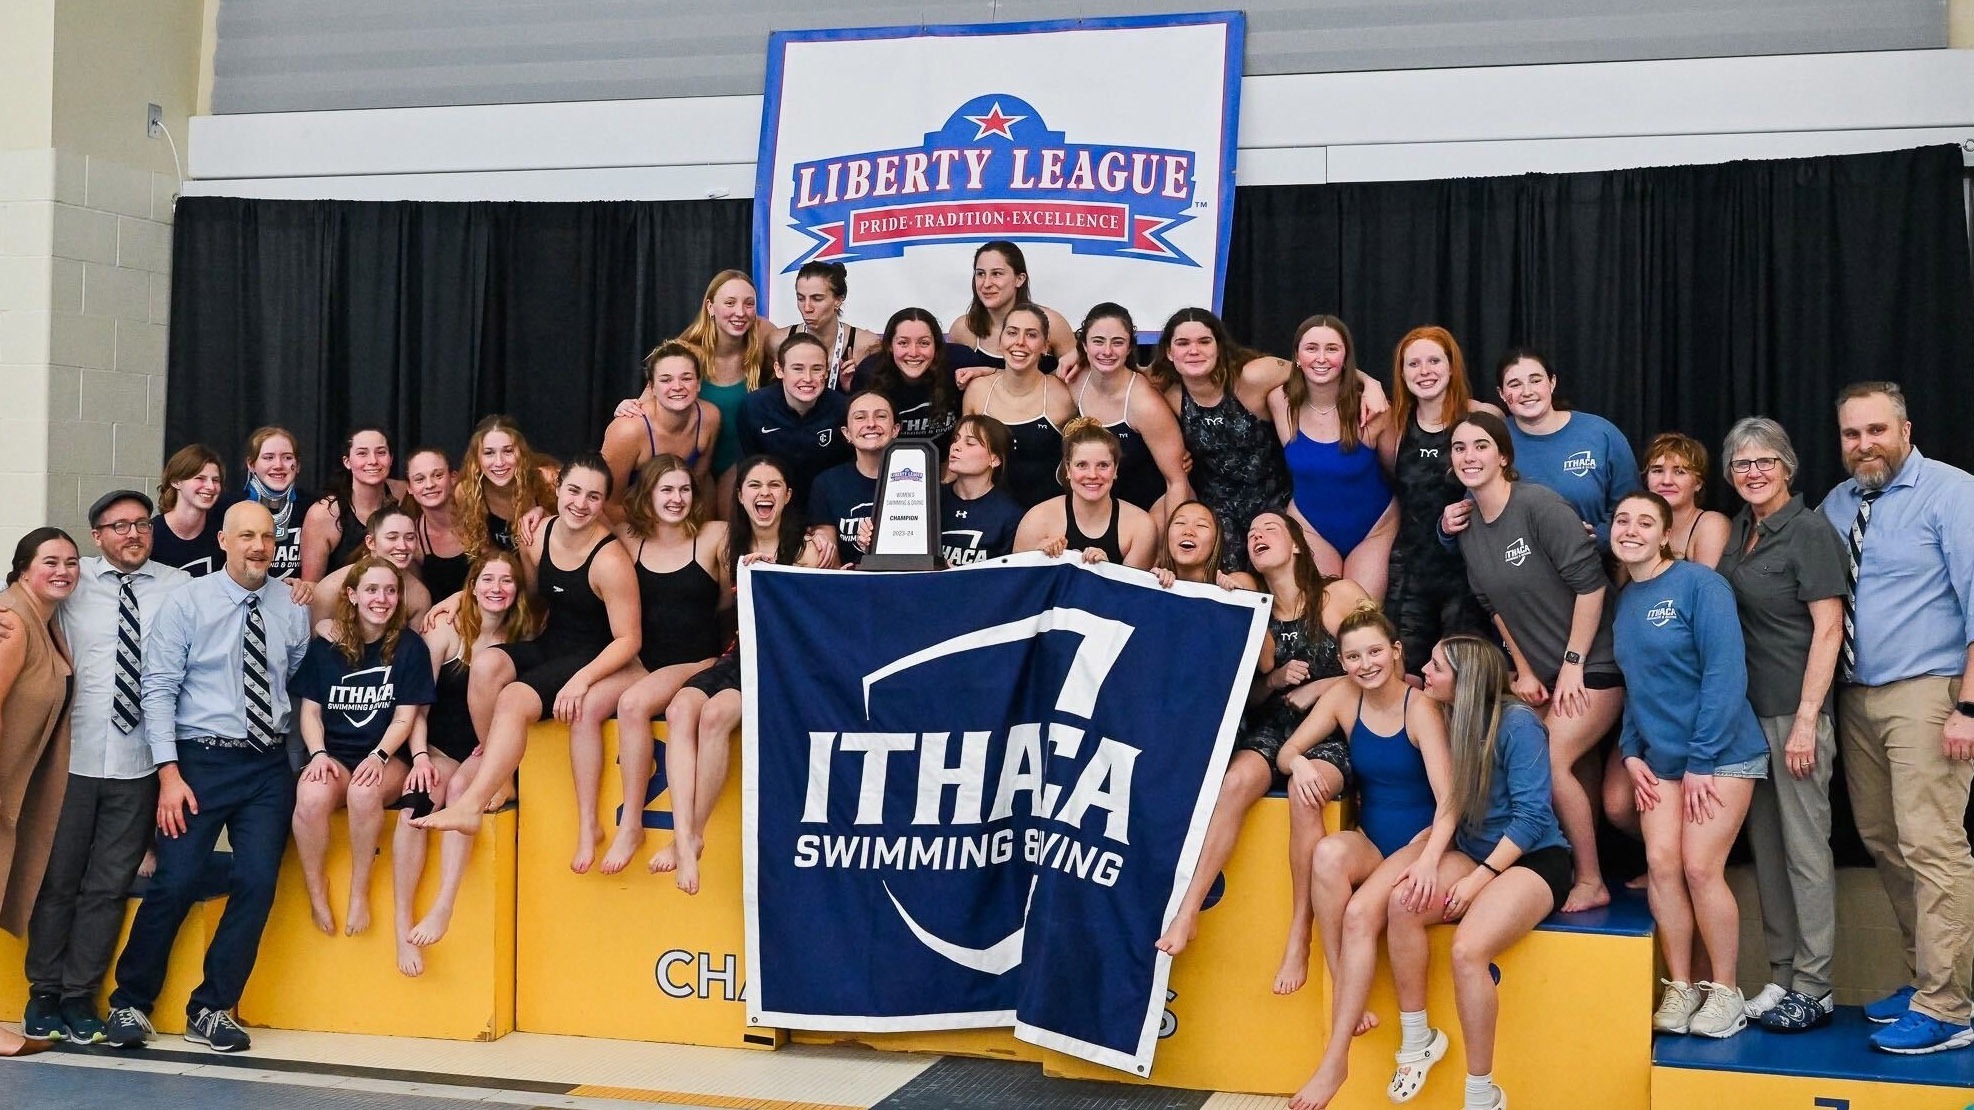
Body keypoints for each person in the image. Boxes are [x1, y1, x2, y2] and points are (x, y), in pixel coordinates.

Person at [107, 501, 312, 1054]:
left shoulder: (290, 607)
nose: (258, 547)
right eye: (246, 535)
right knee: (175, 879)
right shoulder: (188, 601)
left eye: (267, 537)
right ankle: (130, 1002)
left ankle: (212, 1008)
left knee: (256, 882)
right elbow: (158, 689)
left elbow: (291, 682)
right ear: (223, 541)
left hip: (267, 766)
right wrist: (168, 774)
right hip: (199, 763)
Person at [1819, 381, 1974, 1055]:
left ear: (1905, 430)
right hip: (1857, 696)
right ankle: (1925, 983)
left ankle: (1949, 1007)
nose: (1864, 445)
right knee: (1885, 841)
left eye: (1876, 431)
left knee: (1932, 846)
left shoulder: (1952, 493)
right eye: (1852, 434)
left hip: (1929, 692)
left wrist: (1969, 704)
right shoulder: (1839, 502)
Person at [1156, 510, 1372, 994]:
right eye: (1251, 534)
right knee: (1233, 782)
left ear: (1296, 544)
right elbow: (1248, 697)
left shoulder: (1338, 594)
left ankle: (1300, 934)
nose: (1258, 535)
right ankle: (1188, 911)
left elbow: (1381, 660)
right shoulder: (1253, 605)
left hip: (1334, 730)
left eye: (1270, 529)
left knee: (1305, 788)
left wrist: (1321, 688)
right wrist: (1273, 681)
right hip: (1273, 728)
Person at [1375, 635, 1575, 1110]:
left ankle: (1483, 1093)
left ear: (1465, 680)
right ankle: (1418, 1039)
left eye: (1436, 666)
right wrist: (1431, 840)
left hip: (1533, 859)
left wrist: (1477, 879)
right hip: (1473, 849)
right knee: (1401, 904)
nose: (1425, 669)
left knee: (1468, 950)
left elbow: (1531, 818)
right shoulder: (1448, 716)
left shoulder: (1518, 723)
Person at [22, 493, 187, 1046]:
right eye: (118, 527)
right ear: (97, 536)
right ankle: (43, 992)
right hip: (72, 760)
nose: (132, 534)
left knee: (108, 887)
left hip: (139, 762)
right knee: (58, 880)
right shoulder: (75, 581)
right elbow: (23, 602)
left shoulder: (177, 586)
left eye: (140, 524)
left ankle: (78, 995)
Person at [1443, 410, 1624, 912]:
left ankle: (1590, 879)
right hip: (1546, 670)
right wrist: (1522, 669)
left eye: (1480, 446)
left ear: (1503, 456)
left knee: (1552, 757)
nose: (1469, 456)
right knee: (1567, 767)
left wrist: (1571, 664)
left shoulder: (1539, 504)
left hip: (1596, 662)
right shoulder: (1469, 527)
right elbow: (1494, 609)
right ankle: (1565, 868)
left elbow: (1591, 588)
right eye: (1459, 448)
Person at [412, 456, 642, 836]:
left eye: (593, 497)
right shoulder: (538, 536)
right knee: (486, 665)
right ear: (558, 489)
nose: (580, 504)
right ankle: (501, 779)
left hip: (595, 654)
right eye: (573, 491)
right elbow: (527, 596)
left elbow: (629, 639)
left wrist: (583, 680)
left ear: (604, 502)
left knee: (515, 698)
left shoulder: (610, 562)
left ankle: (470, 805)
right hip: (553, 643)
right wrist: (460, 597)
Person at [1609, 490, 1767, 1039]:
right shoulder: (1625, 599)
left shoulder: (1701, 586)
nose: (1630, 529)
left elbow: (1726, 676)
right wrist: (1630, 755)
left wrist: (1702, 759)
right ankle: (1681, 986)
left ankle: (1725, 993)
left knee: (1701, 867)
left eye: (1644, 521)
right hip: (1660, 762)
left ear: (1665, 535)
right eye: (1622, 520)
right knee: (1662, 864)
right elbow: (1636, 689)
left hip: (1720, 754)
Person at [1285, 607, 1452, 1110]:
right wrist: (1298, 765)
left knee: (1360, 913)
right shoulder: (1342, 697)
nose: (1365, 663)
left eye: (1375, 651)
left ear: (1397, 652)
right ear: (1342, 661)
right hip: (1376, 840)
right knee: (1329, 854)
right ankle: (1343, 988)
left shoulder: (1419, 707)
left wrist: (1427, 860)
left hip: (1421, 839)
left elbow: (1450, 801)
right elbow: (1289, 748)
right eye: (1353, 656)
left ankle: (1335, 1061)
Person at [1713, 417, 1847, 1032]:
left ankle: (1816, 987)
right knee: (1766, 852)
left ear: (1788, 467)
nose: (1753, 472)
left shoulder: (1809, 530)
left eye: (1764, 461)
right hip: (1745, 719)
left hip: (1794, 716)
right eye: (1742, 464)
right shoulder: (1742, 528)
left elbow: (1828, 629)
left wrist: (1806, 721)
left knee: (1804, 853)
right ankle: (1783, 974)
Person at [649, 455, 823, 891]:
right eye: (755, 486)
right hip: (736, 657)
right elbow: (727, 613)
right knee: (680, 709)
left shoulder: (804, 550)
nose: (764, 493)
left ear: (787, 495)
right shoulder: (731, 546)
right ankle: (682, 835)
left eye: (773, 485)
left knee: (714, 716)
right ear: (741, 496)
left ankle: (693, 836)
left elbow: (807, 625)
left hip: (776, 663)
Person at [1148, 309, 1387, 571]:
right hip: (1220, 514)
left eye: (1204, 341)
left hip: (1276, 506)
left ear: (1219, 346)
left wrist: (1370, 383)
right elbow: (1124, 373)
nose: (1194, 350)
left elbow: (1317, 365)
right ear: (1169, 352)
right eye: (1183, 343)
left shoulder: (1253, 377)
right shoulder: (1172, 395)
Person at [394, 549, 538, 976]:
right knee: (415, 805)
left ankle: (443, 906)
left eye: (506, 581)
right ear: (470, 588)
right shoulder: (447, 633)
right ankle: (402, 923)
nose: (497, 589)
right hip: (437, 749)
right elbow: (416, 705)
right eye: (487, 580)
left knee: (460, 795)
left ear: (518, 589)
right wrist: (420, 756)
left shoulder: (526, 635)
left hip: (482, 753)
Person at [291, 556, 435, 936]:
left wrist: (379, 754)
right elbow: (310, 712)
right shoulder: (328, 644)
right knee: (309, 796)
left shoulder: (410, 647)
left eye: (390, 590)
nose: (381, 599)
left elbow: (407, 717)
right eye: (371, 590)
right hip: (335, 753)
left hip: (386, 754)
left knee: (364, 791)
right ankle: (316, 888)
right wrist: (318, 754)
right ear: (352, 595)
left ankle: (359, 889)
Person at [599, 455, 728, 875]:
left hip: (698, 658)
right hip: (643, 661)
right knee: (593, 702)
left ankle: (643, 827)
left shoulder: (713, 536)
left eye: (685, 489)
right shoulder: (626, 538)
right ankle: (630, 823)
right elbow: (575, 534)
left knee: (634, 705)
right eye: (667, 490)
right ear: (649, 494)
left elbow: (731, 594)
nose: (677, 499)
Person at [0, 528, 80, 1056]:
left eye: (72, 562)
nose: (63, 570)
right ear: (24, 568)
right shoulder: (11, 623)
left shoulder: (48, 622)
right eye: (50, 561)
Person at [1378, 326, 1498, 676]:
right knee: (1405, 672)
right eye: (1413, 364)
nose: (1424, 371)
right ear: (1401, 373)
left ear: (1451, 367)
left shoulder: (1483, 417)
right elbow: (1395, 486)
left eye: (1434, 360)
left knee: (1464, 675)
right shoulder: (1393, 425)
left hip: (1469, 571)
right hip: (1412, 569)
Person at [1270, 315, 1397, 599]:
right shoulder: (1280, 401)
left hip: (1373, 529)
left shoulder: (1374, 408)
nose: (1321, 358)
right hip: (1310, 526)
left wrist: (1370, 385)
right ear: (1297, 357)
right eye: (1311, 348)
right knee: (1321, 616)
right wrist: (1370, 379)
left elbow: (1399, 471)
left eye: (1332, 349)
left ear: (1346, 356)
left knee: (1358, 619)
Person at [1493, 348, 1638, 543]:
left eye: (1536, 380)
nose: (1527, 392)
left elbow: (1634, 504)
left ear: (1552, 382)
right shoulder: (1492, 439)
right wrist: (1447, 528)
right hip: (1517, 566)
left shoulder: (1601, 433)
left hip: (1592, 564)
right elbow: (1477, 510)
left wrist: (1599, 536)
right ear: (1502, 393)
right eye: (1514, 384)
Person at [1072, 303, 1189, 519]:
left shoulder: (1145, 403)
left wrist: (1168, 541)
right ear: (1084, 345)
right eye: (1098, 341)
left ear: (1129, 348)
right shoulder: (1073, 382)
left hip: (1147, 512)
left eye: (1118, 343)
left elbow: (1177, 481)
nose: (1107, 351)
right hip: (1094, 512)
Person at [675, 270, 775, 507]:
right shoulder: (687, 351)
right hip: (695, 466)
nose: (740, 312)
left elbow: (802, 350)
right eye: (730, 303)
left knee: (734, 539)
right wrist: (629, 406)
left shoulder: (763, 337)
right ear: (710, 306)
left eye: (749, 304)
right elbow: (647, 403)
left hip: (740, 466)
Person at [962, 305, 1077, 510]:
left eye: (1031, 335)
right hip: (989, 519)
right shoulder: (978, 391)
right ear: (1000, 342)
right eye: (1012, 333)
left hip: (1045, 517)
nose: (1020, 342)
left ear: (1045, 346)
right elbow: (963, 460)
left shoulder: (1063, 395)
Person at [1012, 417, 1157, 569]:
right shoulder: (1037, 520)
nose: (1093, 475)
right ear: (1068, 469)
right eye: (1082, 465)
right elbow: (1018, 585)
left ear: (1115, 470)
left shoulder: (1140, 526)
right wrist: (1038, 558)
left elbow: (1133, 591)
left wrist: (1109, 571)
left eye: (1103, 465)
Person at [738, 331, 852, 516]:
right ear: (779, 370)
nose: (808, 378)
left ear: (827, 370)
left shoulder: (843, 408)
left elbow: (849, 472)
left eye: (816, 369)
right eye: (798, 368)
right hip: (772, 509)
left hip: (827, 512)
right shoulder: (754, 407)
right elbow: (747, 469)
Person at [601, 340, 720, 508]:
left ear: (699, 383)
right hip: (632, 523)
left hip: (679, 517)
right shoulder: (628, 430)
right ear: (652, 387)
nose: (677, 387)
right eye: (666, 380)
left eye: (686, 378)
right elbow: (607, 505)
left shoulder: (710, 417)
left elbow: (698, 484)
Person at [946, 241, 1077, 376]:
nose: (986, 283)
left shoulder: (1052, 323)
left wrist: (992, 373)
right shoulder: (963, 328)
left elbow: (1077, 377)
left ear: (1019, 279)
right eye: (980, 274)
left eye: (997, 274)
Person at [302, 507, 435, 629]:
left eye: (410, 538)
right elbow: (312, 644)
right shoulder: (332, 588)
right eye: (392, 537)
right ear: (371, 542)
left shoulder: (419, 596)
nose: (402, 546)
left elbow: (415, 651)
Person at [300, 428, 406, 581]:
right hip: (340, 601)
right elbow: (310, 586)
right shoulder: (325, 513)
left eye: (381, 452)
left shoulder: (405, 494)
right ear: (347, 462)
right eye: (362, 453)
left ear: (391, 459)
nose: (373, 461)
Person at [849, 307, 963, 449]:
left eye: (924, 343)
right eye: (903, 343)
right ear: (890, 346)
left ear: (937, 346)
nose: (913, 352)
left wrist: (985, 370)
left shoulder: (959, 361)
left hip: (948, 463)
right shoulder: (869, 372)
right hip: (885, 463)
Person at [809, 390, 900, 568]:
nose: (871, 424)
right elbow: (828, 556)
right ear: (847, 433)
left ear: (895, 429)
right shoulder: (827, 484)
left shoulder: (918, 481)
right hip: (849, 585)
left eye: (881, 416)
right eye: (860, 418)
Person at [452, 415, 560, 555]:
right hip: (508, 573)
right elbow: (485, 551)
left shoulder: (548, 480)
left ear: (522, 453)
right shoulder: (467, 491)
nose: (499, 462)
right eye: (489, 453)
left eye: (508, 451)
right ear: (476, 459)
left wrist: (546, 514)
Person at [772, 261, 880, 392]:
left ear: (838, 300)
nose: (807, 308)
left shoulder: (866, 345)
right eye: (801, 298)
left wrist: (855, 387)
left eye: (817, 299)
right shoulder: (777, 341)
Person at [939, 415, 1024, 567]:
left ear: (994, 459)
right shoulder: (931, 499)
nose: (956, 446)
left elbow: (1007, 576)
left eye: (970, 443)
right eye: (956, 439)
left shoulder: (1011, 514)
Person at [231, 427, 312, 580]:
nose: (278, 465)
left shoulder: (314, 508)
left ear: (298, 464)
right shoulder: (230, 507)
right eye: (268, 457)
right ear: (251, 464)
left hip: (294, 600)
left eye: (287, 458)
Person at [1642, 432, 1729, 566]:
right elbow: (1622, 585)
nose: (1666, 481)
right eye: (1658, 471)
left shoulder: (1711, 524)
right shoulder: (1637, 523)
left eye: (1679, 472)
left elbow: (1702, 585)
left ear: (1698, 483)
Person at [404, 448, 470, 603]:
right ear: (409, 488)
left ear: (453, 478)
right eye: (419, 479)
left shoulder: (479, 520)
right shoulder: (413, 541)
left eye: (438, 475)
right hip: (441, 622)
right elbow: (418, 600)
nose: (430, 485)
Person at [150, 444, 225, 576]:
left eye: (215, 480)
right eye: (200, 478)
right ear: (176, 482)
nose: (210, 487)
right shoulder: (150, 534)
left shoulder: (223, 532)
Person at [1151, 500, 1257, 591]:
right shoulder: (1154, 580)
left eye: (1201, 525)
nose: (1188, 531)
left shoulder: (1237, 581)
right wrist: (1150, 583)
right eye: (1180, 523)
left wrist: (1235, 595)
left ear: (1216, 541)